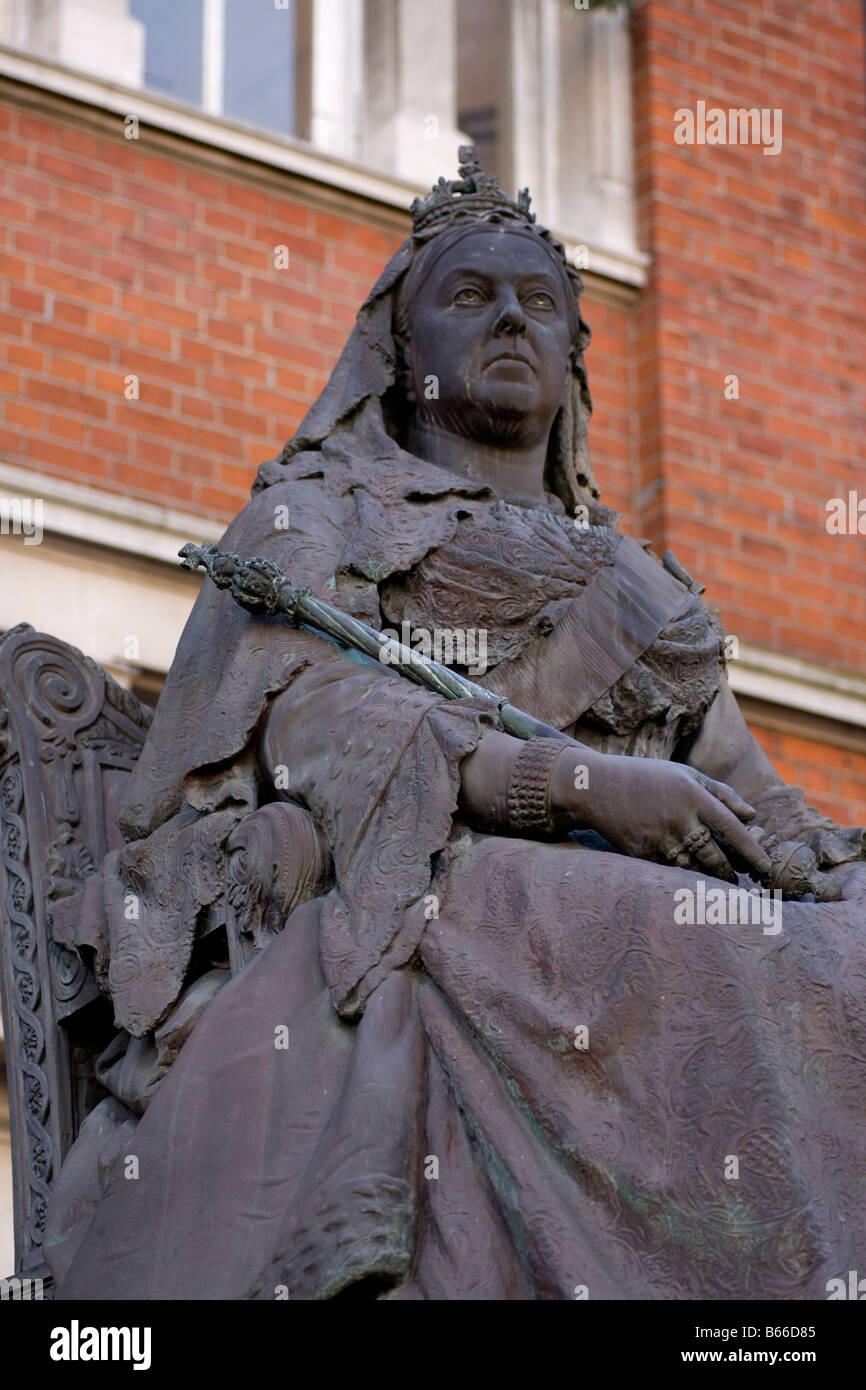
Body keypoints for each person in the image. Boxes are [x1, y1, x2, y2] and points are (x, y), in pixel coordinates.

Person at [48, 149, 866, 1301]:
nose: (510, 321)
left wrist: (820, 863)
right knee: (671, 934)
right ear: (400, 347)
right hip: (429, 878)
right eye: (468, 297)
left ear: (574, 360)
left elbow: (752, 795)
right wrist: (576, 790)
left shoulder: (643, 589)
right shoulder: (310, 513)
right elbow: (308, 716)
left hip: (632, 899)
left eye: (539, 305)